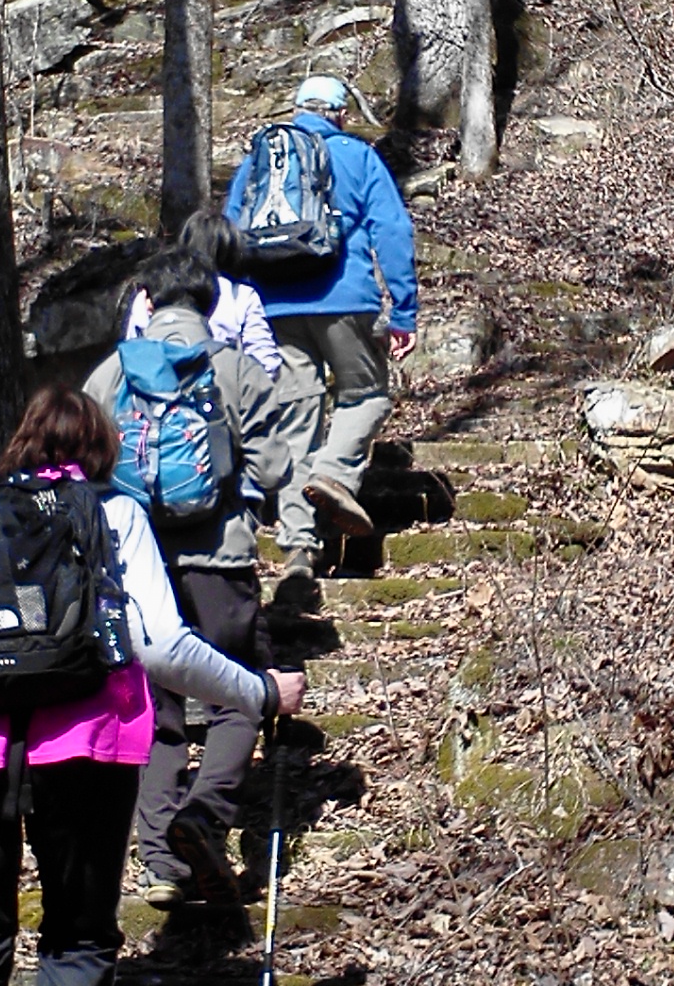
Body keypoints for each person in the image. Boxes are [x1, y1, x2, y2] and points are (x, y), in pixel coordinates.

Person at [0, 383, 305, 986]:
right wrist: (257, 692)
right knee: (77, 938)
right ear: (104, 449)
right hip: (84, 740)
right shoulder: (115, 514)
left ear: (19, 443)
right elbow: (161, 647)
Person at [84, 247, 292, 910]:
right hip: (220, 561)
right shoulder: (232, 366)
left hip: (135, 565)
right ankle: (204, 816)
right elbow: (279, 465)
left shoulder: (114, 369)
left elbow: (84, 464)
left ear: (148, 298)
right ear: (209, 302)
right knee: (240, 695)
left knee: (157, 707)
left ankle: (160, 864)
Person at [224, 74, 418, 579]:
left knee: (296, 421)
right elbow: (392, 230)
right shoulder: (357, 156)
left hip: (274, 306)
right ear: (340, 114)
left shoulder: (261, 158)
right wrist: (403, 309)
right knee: (367, 395)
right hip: (345, 300)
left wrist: (239, 301)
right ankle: (333, 475)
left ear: (296, 110)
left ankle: (298, 551)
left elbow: (230, 228)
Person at [124, 209, 281, 380]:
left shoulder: (150, 292)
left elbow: (131, 351)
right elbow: (265, 364)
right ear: (232, 249)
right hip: (221, 391)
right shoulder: (242, 296)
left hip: (155, 388)